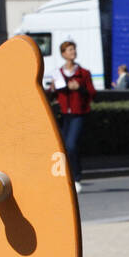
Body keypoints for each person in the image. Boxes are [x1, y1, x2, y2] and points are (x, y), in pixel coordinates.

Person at [46, 40, 95, 193]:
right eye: (69, 50)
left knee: (72, 145)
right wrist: (52, 88)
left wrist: (79, 88)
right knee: (61, 147)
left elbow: (93, 93)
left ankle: (76, 177)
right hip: (62, 114)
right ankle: (62, 178)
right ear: (63, 54)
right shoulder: (57, 73)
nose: (72, 52)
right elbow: (51, 95)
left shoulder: (83, 73)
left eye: (73, 49)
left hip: (78, 113)